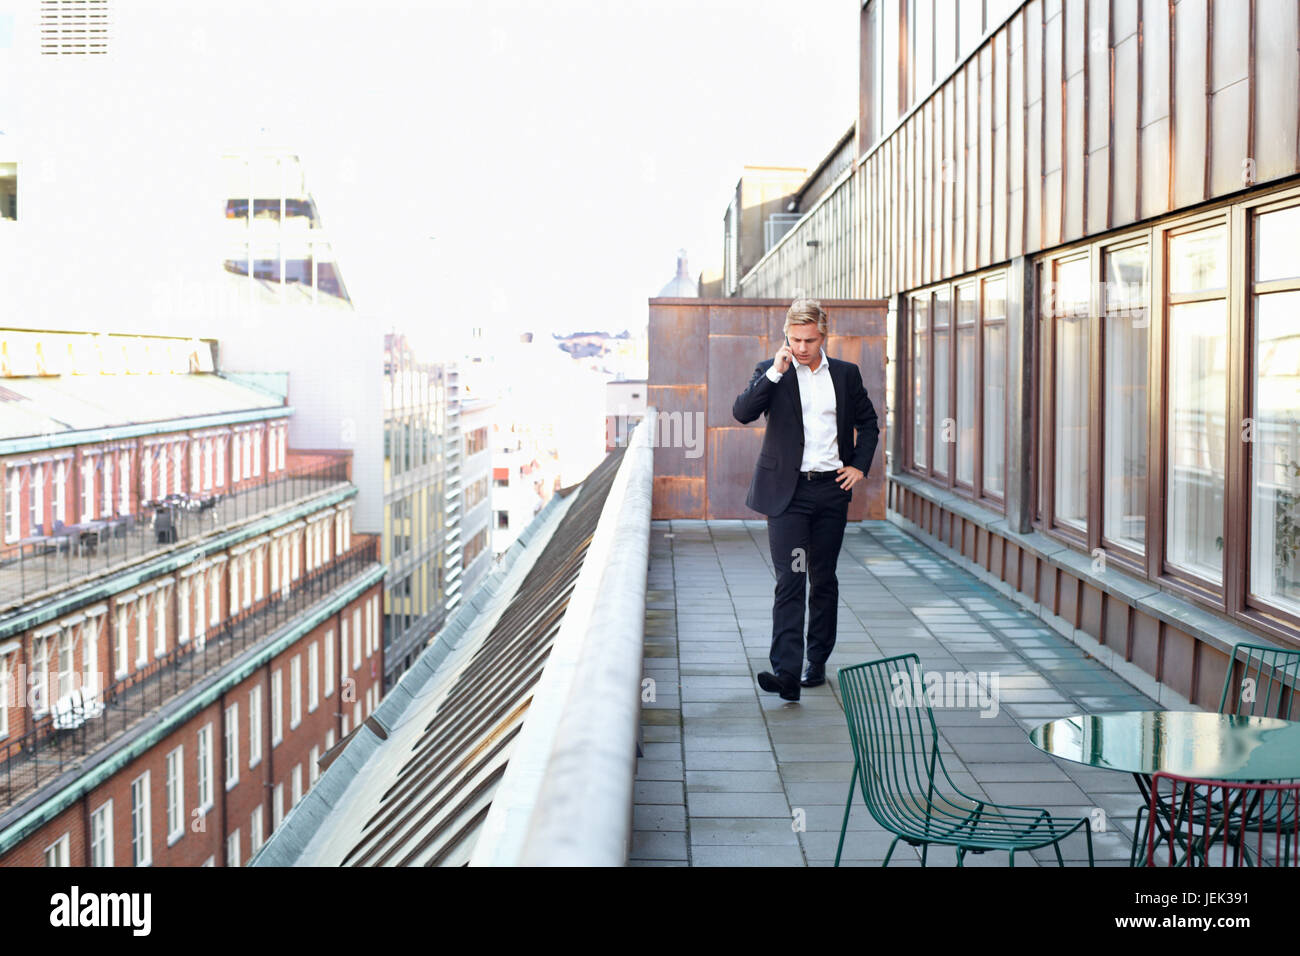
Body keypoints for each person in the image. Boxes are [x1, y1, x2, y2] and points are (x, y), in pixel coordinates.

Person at [731, 298, 879, 702]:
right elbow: (742, 412)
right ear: (785, 336)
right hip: (788, 494)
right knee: (790, 580)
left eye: (809, 340)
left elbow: (868, 423)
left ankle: (817, 661)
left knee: (823, 578)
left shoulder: (846, 375)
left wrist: (859, 466)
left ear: (823, 335)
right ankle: (787, 674)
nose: (801, 347)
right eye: (794, 339)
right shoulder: (772, 371)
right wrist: (776, 374)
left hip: (832, 490)